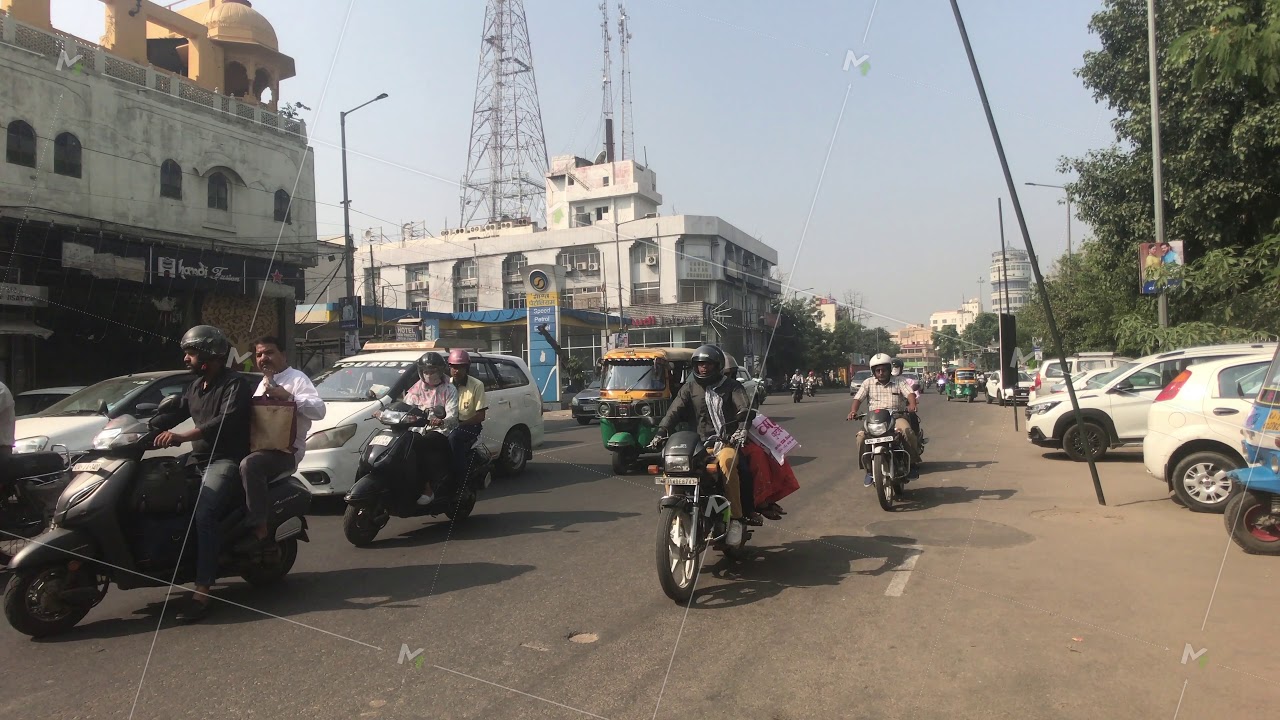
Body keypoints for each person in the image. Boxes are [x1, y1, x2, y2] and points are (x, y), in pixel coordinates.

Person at [152, 325, 254, 623]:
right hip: (196, 458)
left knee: (204, 512)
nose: (186, 359)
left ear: (209, 356)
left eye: (191, 353)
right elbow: (175, 412)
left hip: (224, 460)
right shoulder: (197, 387)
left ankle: (203, 590)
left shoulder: (235, 385)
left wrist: (181, 436)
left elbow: (225, 421)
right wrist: (144, 426)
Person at [652, 344, 759, 546]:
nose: (703, 368)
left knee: (727, 462)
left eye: (707, 364)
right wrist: (661, 431)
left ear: (717, 365)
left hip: (725, 441)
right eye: (699, 364)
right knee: (671, 466)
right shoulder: (689, 388)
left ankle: (736, 519)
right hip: (695, 444)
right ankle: (675, 517)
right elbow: (673, 412)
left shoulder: (732, 387)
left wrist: (742, 427)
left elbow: (744, 407)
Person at [238, 336, 325, 556]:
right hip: (262, 446)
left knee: (251, 466)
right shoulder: (262, 382)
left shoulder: (297, 379)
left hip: (286, 452)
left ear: (283, 355)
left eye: (269, 353)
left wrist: (291, 397)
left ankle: (259, 526)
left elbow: (319, 410)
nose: (263, 358)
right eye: (259, 355)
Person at [847, 353, 920, 488]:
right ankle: (869, 470)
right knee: (860, 437)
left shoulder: (899, 381)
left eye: (884, 370)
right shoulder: (868, 383)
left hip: (895, 416)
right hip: (874, 419)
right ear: (873, 372)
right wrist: (853, 411)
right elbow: (858, 398)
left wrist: (912, 404)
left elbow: (909, 394)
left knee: (907, 431)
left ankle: (912, 463)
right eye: (877, 370)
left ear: (889, 369)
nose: (881, 373)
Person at [404, 351, 459, 505]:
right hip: (416, 430)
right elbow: (405, 407)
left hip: (441, 432)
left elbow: (452, 415)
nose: (429, 375)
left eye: (433, 371)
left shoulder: (449, 389)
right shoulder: (416, 389)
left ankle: (427, 489)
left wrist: (441, 422)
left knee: (418, 446)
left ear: (441, 371)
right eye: (426, 371)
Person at [446, 349, 487, 491]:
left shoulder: (477, 385)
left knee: (453, 437)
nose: (456, 371)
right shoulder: (445, 385)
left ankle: (460, 479)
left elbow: (480, 416)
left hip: (470, 425)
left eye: (460, 367)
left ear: (466, 368)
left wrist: (459, 424)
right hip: (448, 424)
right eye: (453, 367)